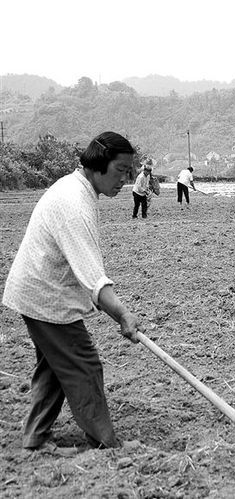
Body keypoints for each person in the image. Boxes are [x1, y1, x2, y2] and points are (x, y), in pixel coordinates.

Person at [2, 131, 145, 455]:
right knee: (84, 365)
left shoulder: (78, 189)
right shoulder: (74, 204)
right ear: (99, 165)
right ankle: (105, 443)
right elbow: (92, 276)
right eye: (122, 170)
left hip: (38, 290)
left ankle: (35, 438)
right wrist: (122, 314)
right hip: (45, 296)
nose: (127, 178)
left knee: (54, 366)